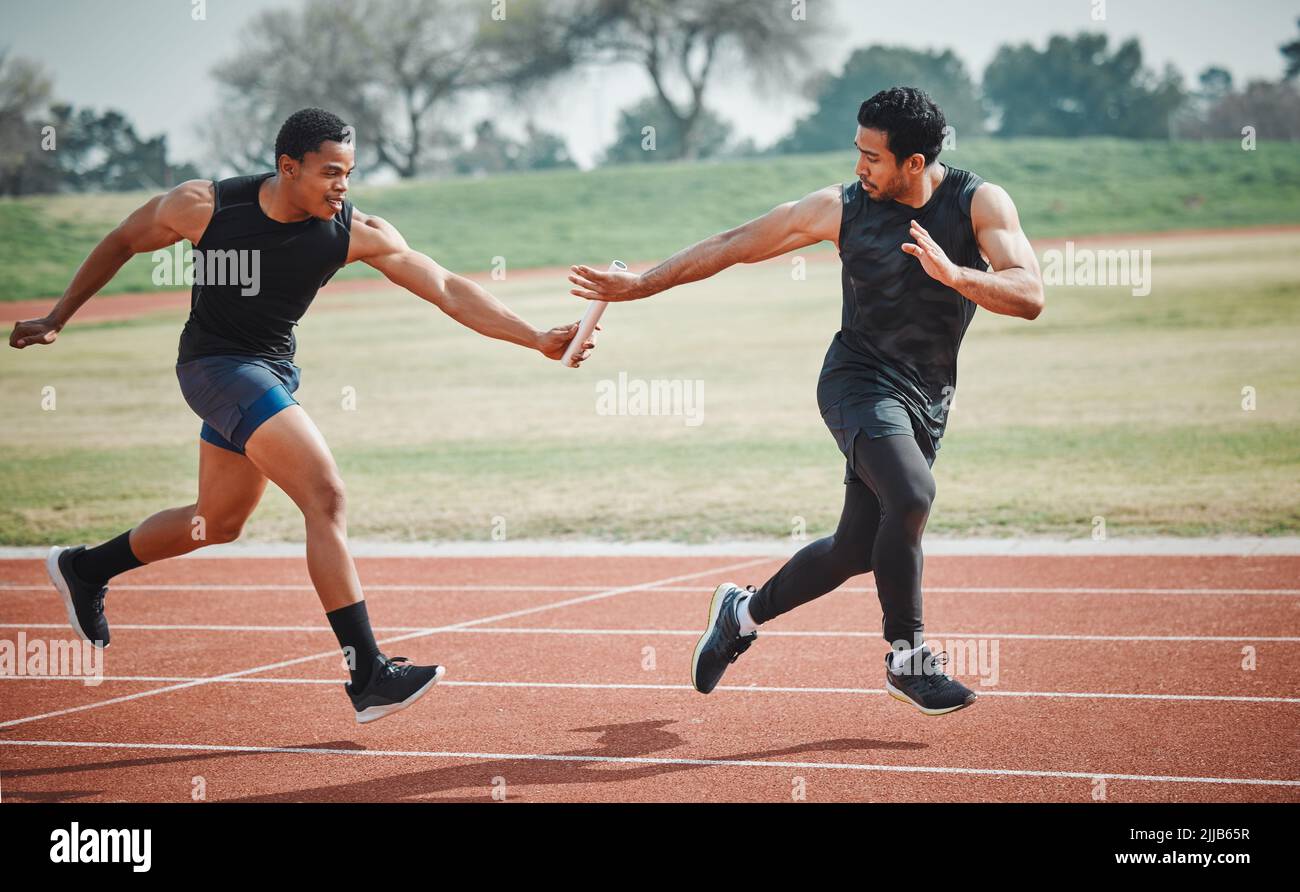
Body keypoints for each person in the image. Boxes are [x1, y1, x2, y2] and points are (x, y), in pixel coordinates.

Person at [9, 108, 596, 724]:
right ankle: (368, 673)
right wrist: (57, 316)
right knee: (326, 495)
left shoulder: (352, 230)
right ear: (288, 168)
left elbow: (446, 287)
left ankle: (84, 567)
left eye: (349, 173)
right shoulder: (204, 207)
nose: (342, 187)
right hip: (215, 367)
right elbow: (125, 239)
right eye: (329, 173)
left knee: (218, 521)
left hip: (272, 372)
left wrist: (534, 337)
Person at [568, 87, 1044, 715]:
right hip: (857, 381)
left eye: (872, 157)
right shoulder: (839, 209)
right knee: (911, 497)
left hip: (927, 397)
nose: (858, 168)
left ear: (915, 163)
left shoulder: (979, 202)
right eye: (858, 152)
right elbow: (734, 243)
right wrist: (642, 286)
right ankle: (909, 658)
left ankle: (741, 614)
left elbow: (1029, 293)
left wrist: (958, 276)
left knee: (857, 547)